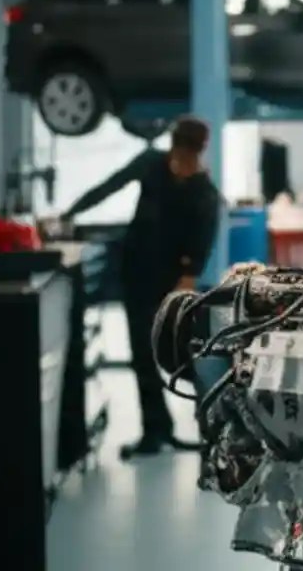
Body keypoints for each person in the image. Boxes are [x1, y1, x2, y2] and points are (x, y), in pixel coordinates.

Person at [60, 115, 221, 459]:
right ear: (172, 147)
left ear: (199, 153)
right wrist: (69, 213)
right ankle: (156, 429)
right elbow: (110, 185)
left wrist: (185, 284)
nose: (180, 163)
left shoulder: (205, 194)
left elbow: (201, 245)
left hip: (174, 283)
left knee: (180, 359)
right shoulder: (151, 164)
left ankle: (213, 431)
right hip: (136, 274)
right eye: (177, 154)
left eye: (188, 157)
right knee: (142, 357)